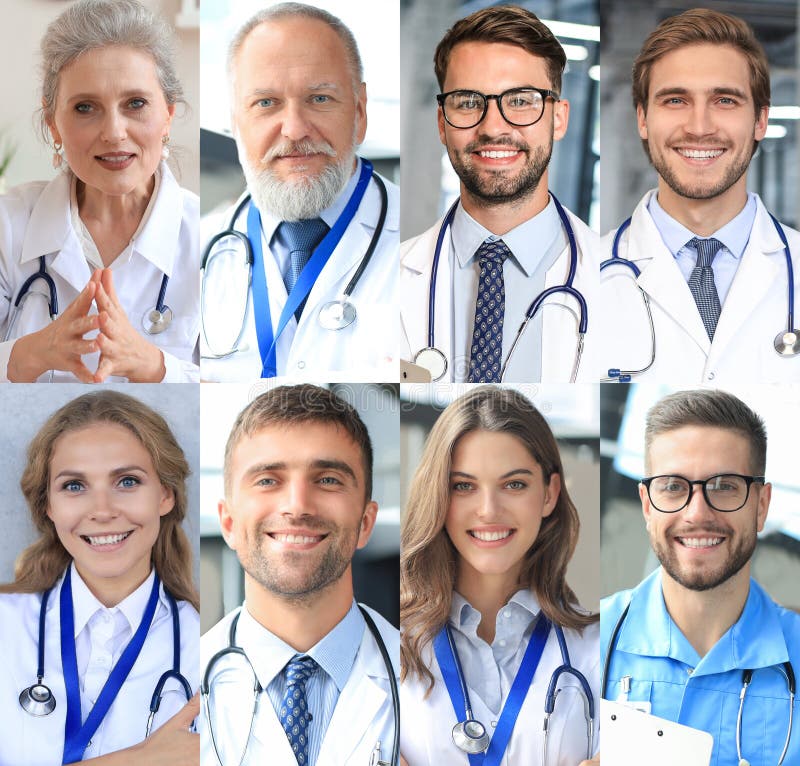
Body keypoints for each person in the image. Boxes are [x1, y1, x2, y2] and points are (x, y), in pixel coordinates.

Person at [0, 0, 199, 384]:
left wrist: (153, 366)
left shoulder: (206, 236)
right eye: (85, 107)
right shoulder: (8, 226)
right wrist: (30, 354)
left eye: (136, 103)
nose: (113, 132)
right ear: (53, 125)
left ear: (168, 116)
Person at [200, 384, 399, 765]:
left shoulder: (426, 681)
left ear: (365, 523)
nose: (297, 506)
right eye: (268, 480)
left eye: (327, 479)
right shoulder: (183, 685)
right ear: (227, 522)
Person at [399, 6, 600, 384]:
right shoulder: (389, 280)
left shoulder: (614, 281)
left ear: (558, 118)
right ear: (442, 123)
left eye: (521, 101)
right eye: (468, 102)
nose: (493, 127)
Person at [200, 3, 399, 382]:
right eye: (265, 103)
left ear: (360, 111)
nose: (293, 129)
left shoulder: (424, 247)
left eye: (319, 98)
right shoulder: (198, 249)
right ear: (234, 122)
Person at [599, 8, 800, 383]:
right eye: (675, 100)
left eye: (725, 100)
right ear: (642, 119)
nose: (699, 127)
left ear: (760, 121)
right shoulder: (580, 279)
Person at [400, 387, 599, 765]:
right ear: (438, 496)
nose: (488, 510)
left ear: (549, 494)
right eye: (463, 486)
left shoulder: (595, 650)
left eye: (514, 484)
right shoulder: (386, 647)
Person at [0, 390, 199, 765]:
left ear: (165, 495)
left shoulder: (205, 647)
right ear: (49, 506)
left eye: (127, 482)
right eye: (74, 486)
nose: (102, 511)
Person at [601, 389, 800, 764]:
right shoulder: (584, 642)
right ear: (647, 506)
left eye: (724, 486)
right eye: (673, 487)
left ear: (761, 506)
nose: (696, 513)